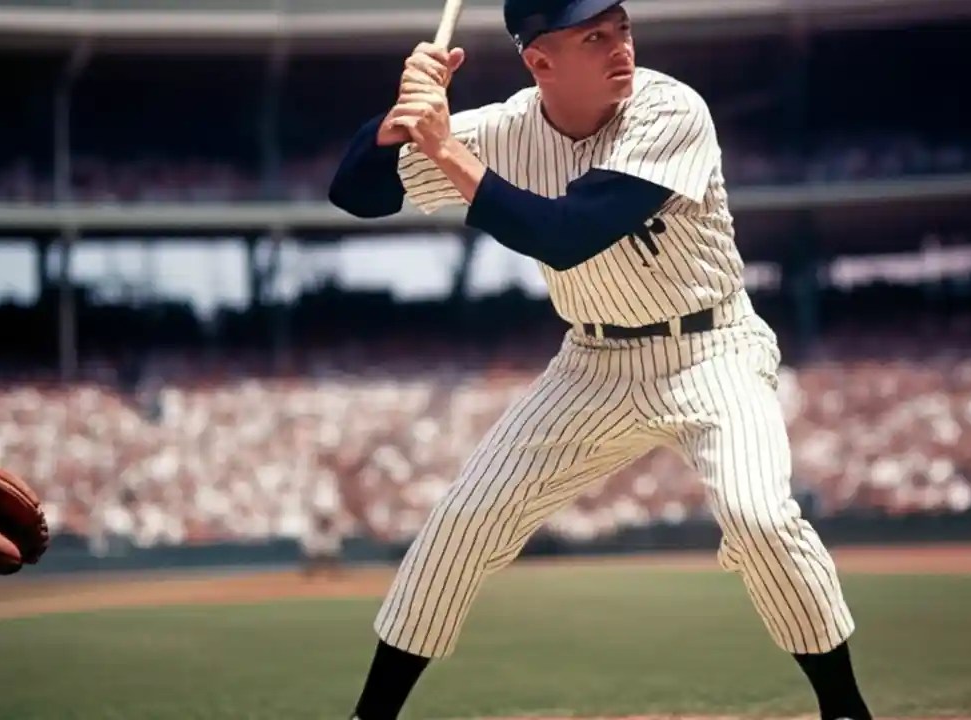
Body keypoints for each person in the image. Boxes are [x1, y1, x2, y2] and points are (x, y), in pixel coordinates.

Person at [328, 1, 873, 718]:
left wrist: (448, 150)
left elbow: (568, 233)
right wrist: (397, 120)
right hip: (593, 365)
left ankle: (844, 710)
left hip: (712, 351)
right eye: (594, 36)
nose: (621, 47)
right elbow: (356, 193)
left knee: (760, 517)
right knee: (460, 526)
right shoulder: (504, 129)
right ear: (540, 62)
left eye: (621, 28)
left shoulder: (670, 110)